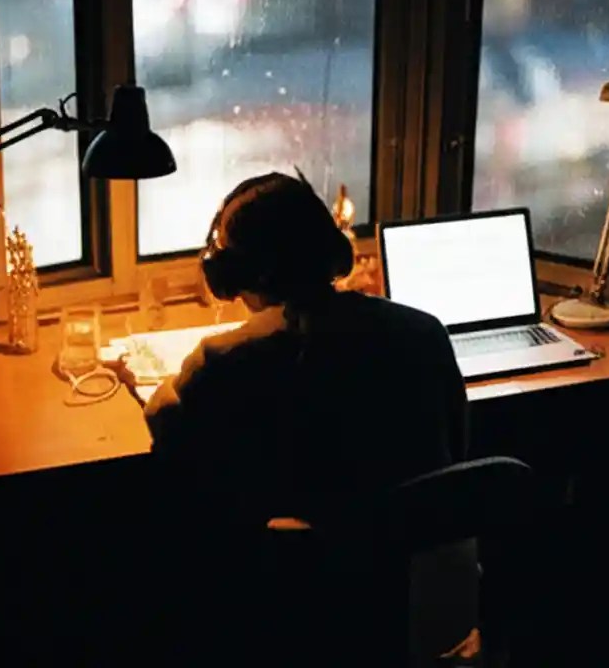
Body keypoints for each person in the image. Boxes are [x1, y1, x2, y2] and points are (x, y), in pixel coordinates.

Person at [120, 171, 468, 664]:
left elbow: (167, 429)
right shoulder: (425, 333)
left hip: (300, 621)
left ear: (238, 274)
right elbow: (457, 448)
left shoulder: (224, 359)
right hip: (424, 606)